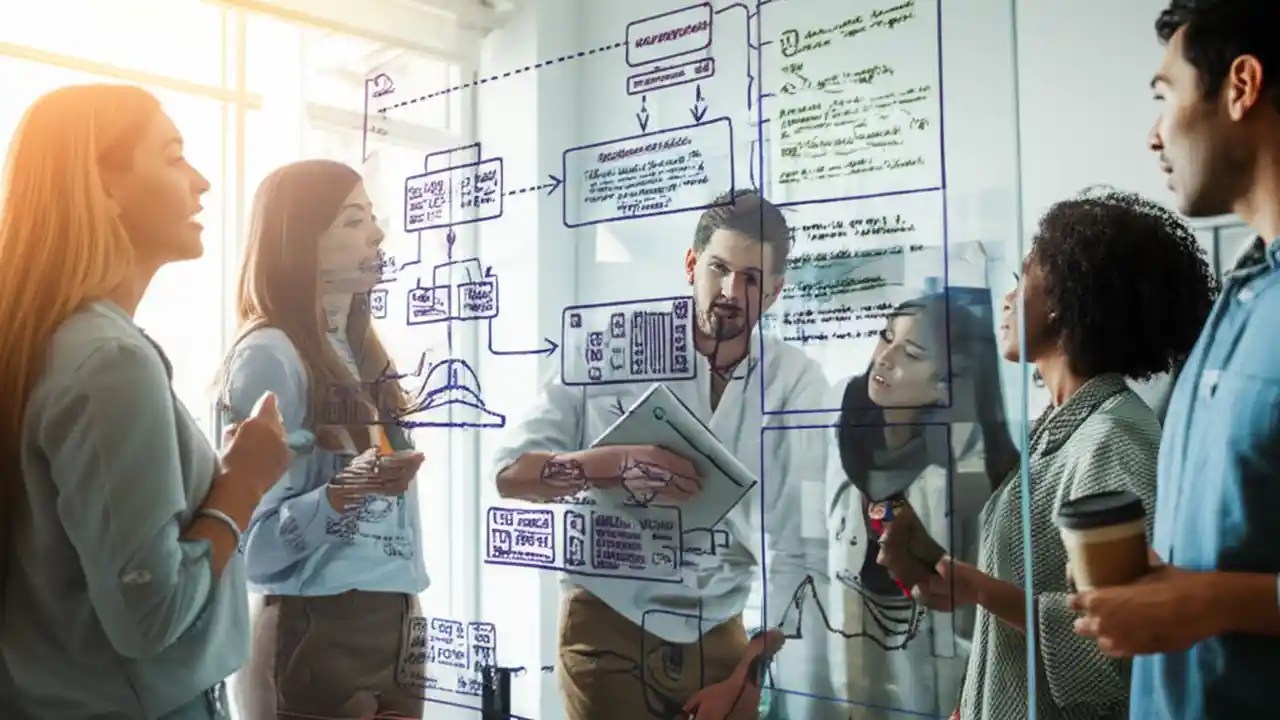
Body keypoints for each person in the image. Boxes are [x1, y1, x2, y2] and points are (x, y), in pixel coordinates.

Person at [0, 84, 290, 719]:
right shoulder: (109, 363)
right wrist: (243, 483)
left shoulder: (41, 345)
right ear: (104, 187)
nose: (202, 181)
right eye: (173, 156)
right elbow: (150, 614)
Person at [491, 190, 828, 719]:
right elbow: (510, 475)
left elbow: (798, 549)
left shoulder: (796, 382)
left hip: (721, 633)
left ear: (775, 290)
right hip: (608, 621)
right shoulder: (612, 344)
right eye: (719, 268)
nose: (731, 291)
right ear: (691, 264)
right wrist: (611, 464)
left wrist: (746, 678)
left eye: (751, 278)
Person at [883, 189, 1217, 719]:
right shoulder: (1059, 431)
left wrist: (978, 589)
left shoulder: (1113, 438)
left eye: (1021, 279)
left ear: (1063, 295)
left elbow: (1118, 645)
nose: (1007, 299)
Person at [1070, 3, 1280, 717]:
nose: (1154, 135)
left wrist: (1212, 602)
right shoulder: (1242, 297)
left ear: (1241, 87)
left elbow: (1219, 596)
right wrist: (1170, 588)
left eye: (1166, 96)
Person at [219, 160, 428, 719]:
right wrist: (345, 492)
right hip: (314, 623)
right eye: (353, 220)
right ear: (300, 241)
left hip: (400, 618)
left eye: (372, 218)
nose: (377, 235)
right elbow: (251, 545)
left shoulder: (364, 353)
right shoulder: (269, 355)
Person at [825, 291, 1018, 719]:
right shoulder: (846, 426)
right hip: (854, 643)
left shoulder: (968, 471)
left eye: (910, 353)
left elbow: (976, 620)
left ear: (945, 383)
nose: (884, 358)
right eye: (885, 337)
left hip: (935, 673)